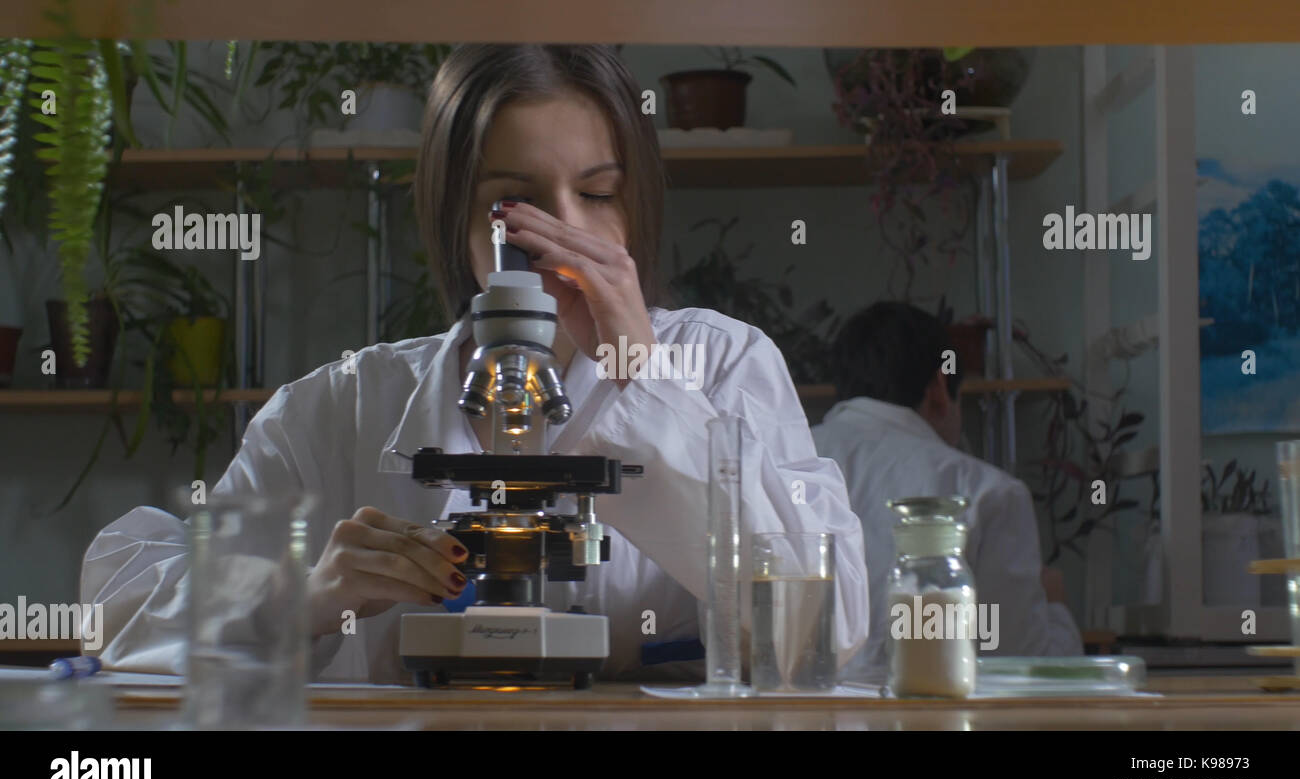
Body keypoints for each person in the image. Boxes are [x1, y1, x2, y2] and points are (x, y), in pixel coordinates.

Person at [80, 44, 870, 684]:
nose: (563, 237)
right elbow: (120, 603)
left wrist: (644, 381)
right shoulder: (341, 408)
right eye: (512, 205)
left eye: (597, 194)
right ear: (454, 215)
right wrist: (303, 596)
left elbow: (823, 629)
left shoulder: (721, 365)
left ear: (638, 207)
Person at [811, 301, 1082, 681]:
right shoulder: (988, 493)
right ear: (940, 385)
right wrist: (1055, 606)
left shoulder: (771, 469)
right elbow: (1020, 668)